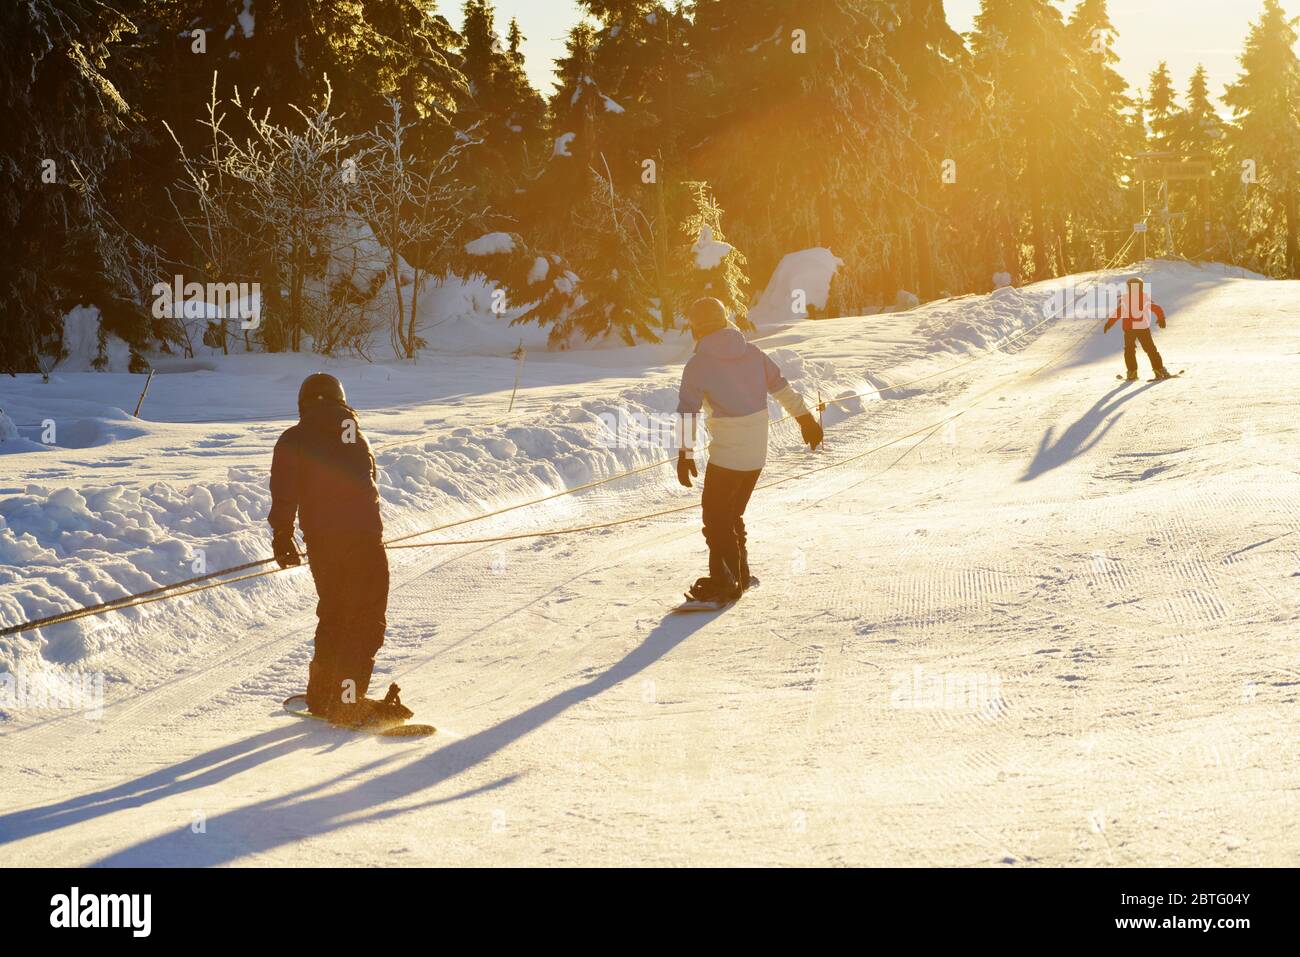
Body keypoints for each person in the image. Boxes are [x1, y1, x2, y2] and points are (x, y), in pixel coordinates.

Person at [268, 373, 409, 725]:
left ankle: (323, 696)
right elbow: (366, 488)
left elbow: (285, 492)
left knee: (333, 615)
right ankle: (347, 699)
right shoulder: (353, 434)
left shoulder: (292, 439)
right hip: (363, 545)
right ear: (340, 399)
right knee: (364, 621)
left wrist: (283, 537)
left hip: (324, 548)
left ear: (303, 404)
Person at [676, 297, 824, 604]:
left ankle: (724, 581)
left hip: (728, 451)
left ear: (696, 328)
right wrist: (806, 420)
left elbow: (688, 412)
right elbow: (782, 388)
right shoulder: (753, 353)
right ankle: (739, 574)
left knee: (716, 518)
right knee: (732, 514)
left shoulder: (698, 364)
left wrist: (685, 452)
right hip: (757, 452)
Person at [1104, 277, 1172, 381]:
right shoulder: (1143, 298)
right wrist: (1161, 318)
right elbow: (1156, 308)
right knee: (1149, 350)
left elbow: (1119, 312)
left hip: (1130, 329)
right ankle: (1159, 370)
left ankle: (1132, 373)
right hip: (1141, 328)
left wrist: (1109, 323)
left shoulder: (1127, 299)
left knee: (1130, 350)